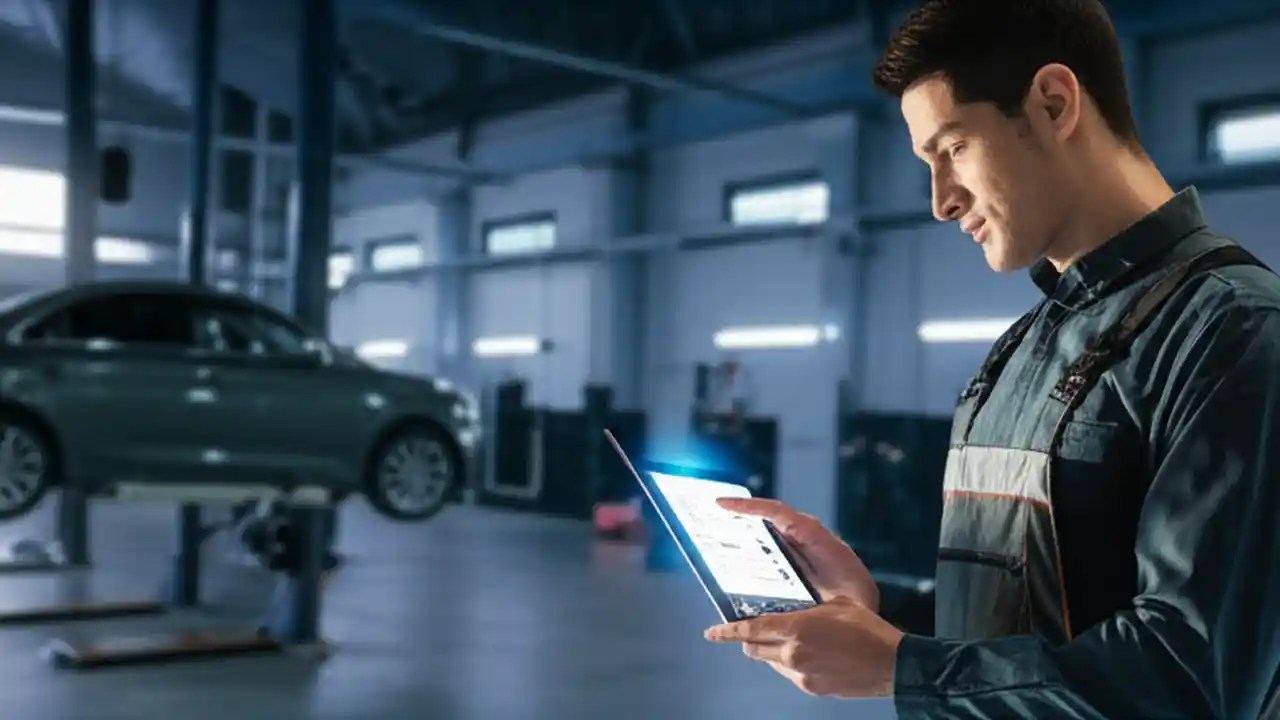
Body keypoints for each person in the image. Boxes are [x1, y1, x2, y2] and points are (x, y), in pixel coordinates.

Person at [702, 1, 1280, 717]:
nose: (941, 201)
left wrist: (903, 665)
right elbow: (1027, 615)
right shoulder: (1019, 349)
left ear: (1053, 103)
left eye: (952, 148)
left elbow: (1192, 675)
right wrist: (878, 615)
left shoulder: (1234, 332)